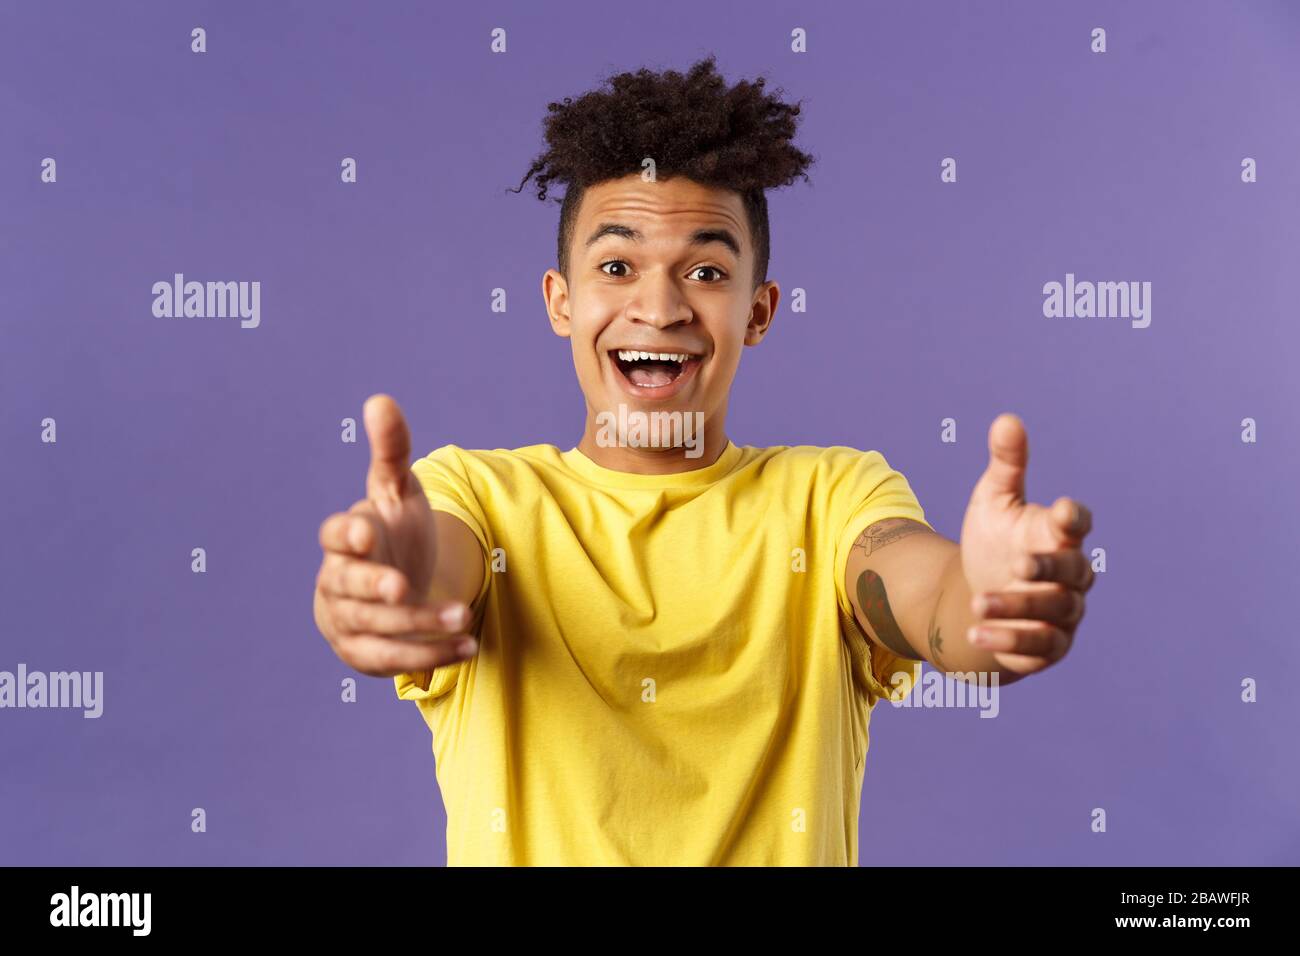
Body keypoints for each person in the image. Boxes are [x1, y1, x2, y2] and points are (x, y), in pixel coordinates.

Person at [311, 56, 1095, 866]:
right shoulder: (477, 496)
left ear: (758, 312)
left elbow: (931, 601)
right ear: (560, 301)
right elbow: (434, 572)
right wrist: (385, 590)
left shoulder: (828, 498)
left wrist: (994, 602)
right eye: (617, 267)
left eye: (707, 271)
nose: (659, 307)